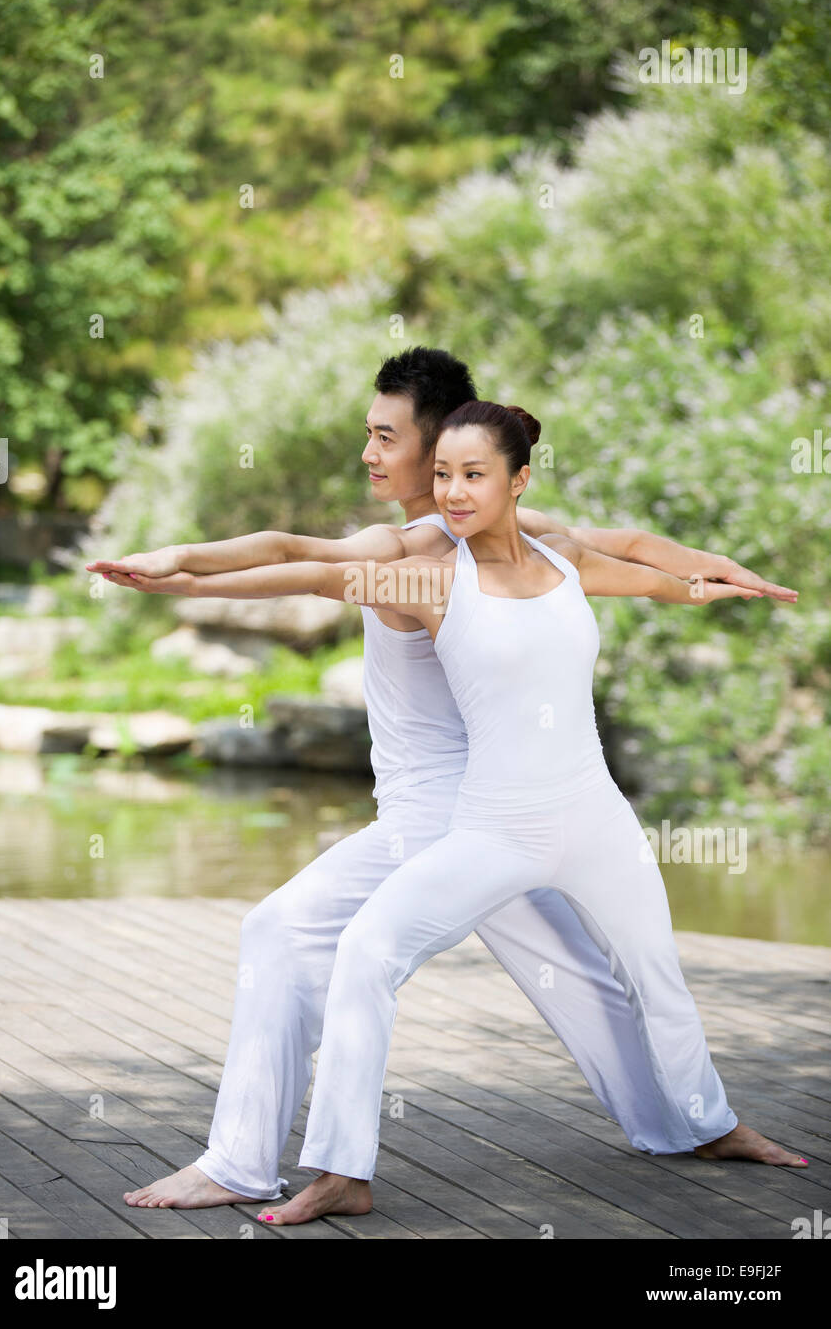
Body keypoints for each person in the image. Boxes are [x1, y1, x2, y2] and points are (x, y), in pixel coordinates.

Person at [95, 388, 806, 1223]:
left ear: (519, 481)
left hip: (595, 817)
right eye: (444, 475)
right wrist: (181, 571)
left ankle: (708, 1123)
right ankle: (341, 1171)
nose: (456, 491)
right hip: (495, 825)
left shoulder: (567, 562)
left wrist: (721, 579)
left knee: (654, 974)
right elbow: (305, 564)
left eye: (474, 474)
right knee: (366, 948)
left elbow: (658, 576)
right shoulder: (426, 574)